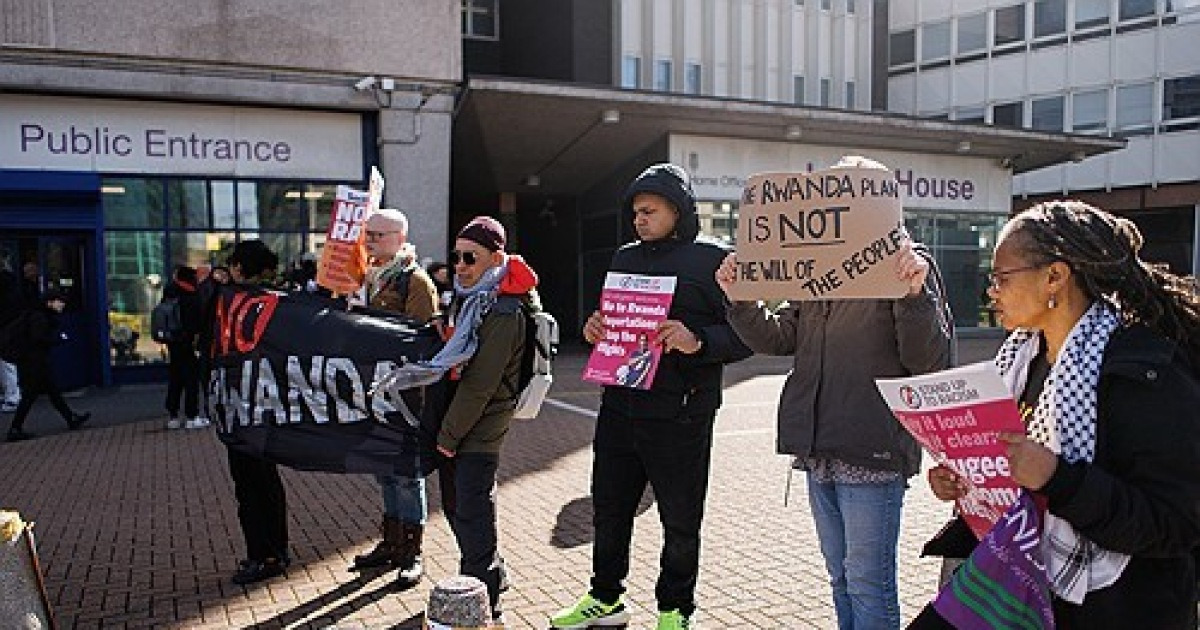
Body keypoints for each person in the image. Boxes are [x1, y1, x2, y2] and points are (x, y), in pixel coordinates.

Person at [914, 201, 1200, 629]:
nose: (991, 292)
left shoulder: (1144, 371)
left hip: (1118, 609)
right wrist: (966, 483)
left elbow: (1175, 524)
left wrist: (1057, 478)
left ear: (1054, 277)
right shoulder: (1019, 361)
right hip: (1026, 592)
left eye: (1001, 278)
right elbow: (1014, 482)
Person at [718, 157, 952, 630]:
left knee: (869, 583)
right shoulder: (815, 271)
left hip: (873, 447)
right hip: (818, 448)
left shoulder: (907, 266)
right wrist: (741, 301)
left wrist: (912, 296)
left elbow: (929, 360)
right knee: (841, 577)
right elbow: (780, 338)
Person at [551, 163, 752, 630]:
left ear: (677, 210)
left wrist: (698, 340)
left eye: (648, 210)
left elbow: (747, 335)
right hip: (619, 407)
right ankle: (605, 598)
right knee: (609, 510)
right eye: (634, 212)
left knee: (680, 520)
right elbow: (612, 321)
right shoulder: (624, 257)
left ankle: (675, 610)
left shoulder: (713, 259)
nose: (638, 219)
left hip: (682, 414)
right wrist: (594, 328)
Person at [430, 215, 539, 624]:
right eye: (456, 257)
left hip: (480, 424)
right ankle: (489, 573)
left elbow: (480, 383)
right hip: (464, 420)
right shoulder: (476, 297)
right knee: (461, 505)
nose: (459, 265)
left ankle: (485, 597)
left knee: (472, 510)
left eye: (469, 257)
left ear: (496, 257)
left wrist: (447, 436)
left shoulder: (504, 309)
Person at [350, 208, 439, 590]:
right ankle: (390, 542)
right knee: (383, 470)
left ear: (399, 238)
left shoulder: (414, 282)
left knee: (406, 474)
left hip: (405, 397)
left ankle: (411, 552)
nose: (369, 241)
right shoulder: (366, 279)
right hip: (374, 391)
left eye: (378, 235)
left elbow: (421, 341)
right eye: (368, 235)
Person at [218, 240, 291, 585]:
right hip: (266, 408)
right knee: (265, 482)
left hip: (243, 409)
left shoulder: (229, 303)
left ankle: (263, 554)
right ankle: (274, 549)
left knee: (250, 486)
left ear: (238, 268)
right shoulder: (280, 303)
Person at [4, 289, 91, 442]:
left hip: (33, 361)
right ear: (49, 303)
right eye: (59, 301)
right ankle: (15, 428)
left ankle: (70, 417)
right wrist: (57, 339)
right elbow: (38, 339)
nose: (62, 304)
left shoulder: (39, 315)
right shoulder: (40, 318)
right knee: (32, 395)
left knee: (52, 392)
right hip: (33, 362)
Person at [162, 265, 205, 430]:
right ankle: (191, 415)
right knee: (191, 379)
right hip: (188, 342)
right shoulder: (192, 295)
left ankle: (173, 415)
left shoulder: (169, 293)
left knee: (175, 378)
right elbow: (197, 322)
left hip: (173, 341)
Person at [0, 254, 23, 413]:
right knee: (5, 362)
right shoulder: (11, 282)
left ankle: (12, 397)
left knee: (6, 362)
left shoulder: (5, 282)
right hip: (8, 324)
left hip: (6, 325)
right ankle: (11, 394)